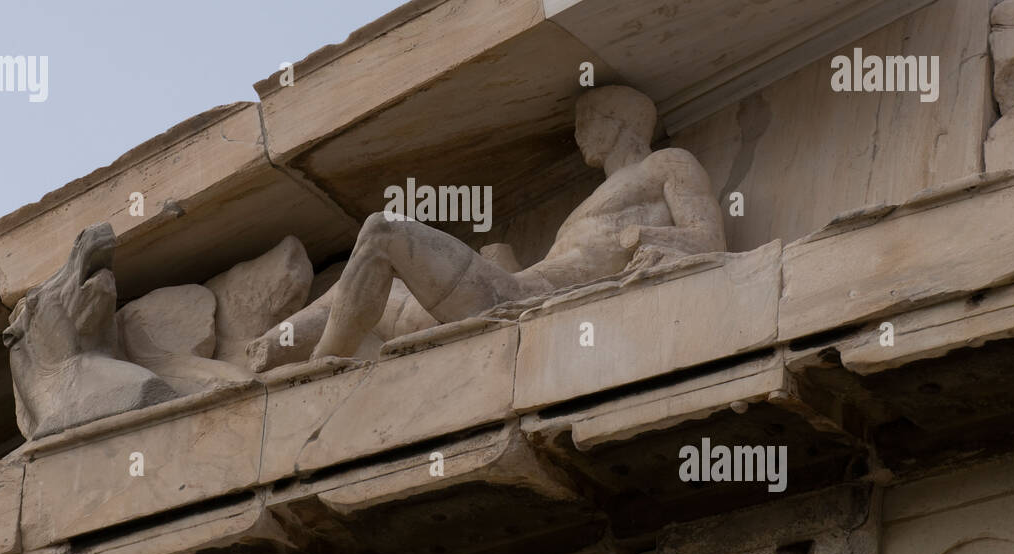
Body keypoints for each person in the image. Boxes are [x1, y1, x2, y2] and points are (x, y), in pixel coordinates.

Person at [247, 85, 726, 370]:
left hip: (514, 302)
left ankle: (325, 367)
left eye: (588, 122)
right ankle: (267, 352)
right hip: (514, 288)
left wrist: (640, 239)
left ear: (620, 124)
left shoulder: (668, 163)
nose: (579, 134)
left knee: (382, 230)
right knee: (376, 278)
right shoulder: (593, 202)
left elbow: (707, 239)